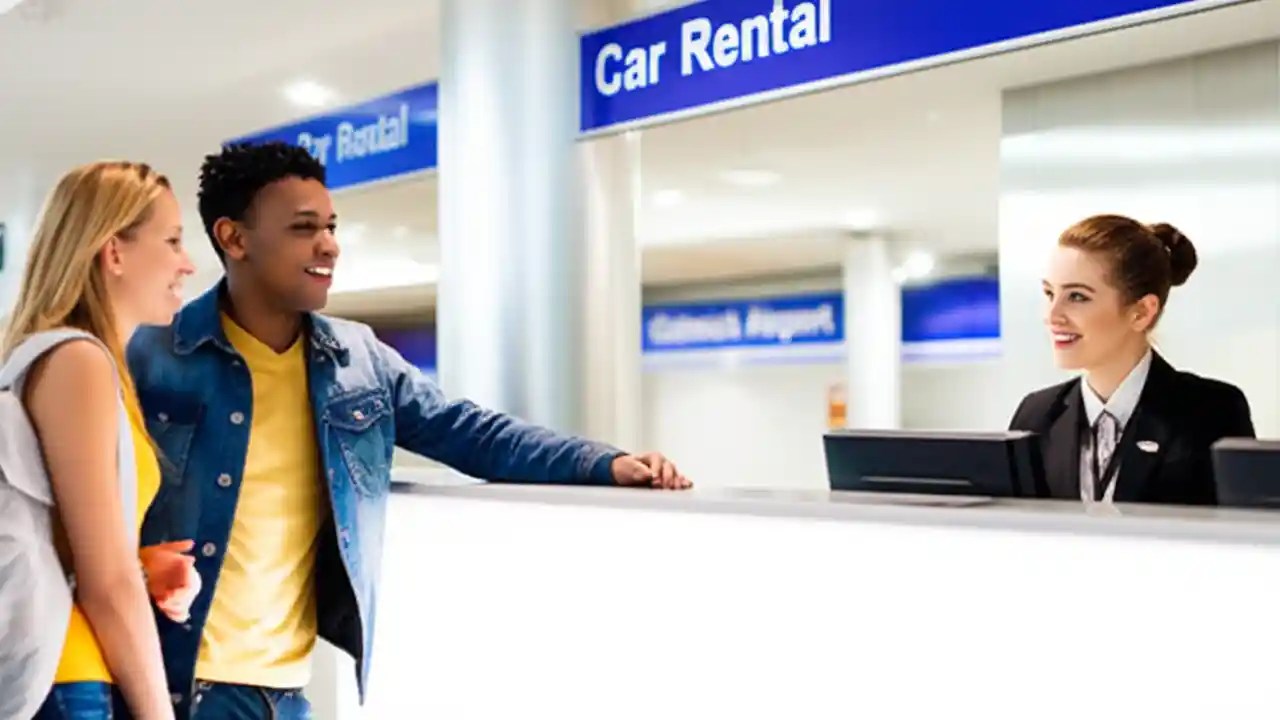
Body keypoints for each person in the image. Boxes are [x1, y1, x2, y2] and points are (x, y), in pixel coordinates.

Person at [126, 141, 691, 719]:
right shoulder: (151, 353)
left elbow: (472, 433)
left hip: (288, 695)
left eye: (330, 226)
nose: (329, 244)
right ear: (234, 238)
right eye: (303, 228)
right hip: (174, 687)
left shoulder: (357, 360)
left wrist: (601, 463)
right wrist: (132, 563)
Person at [2, 161, 199, 719]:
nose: (186, 263)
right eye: (172, 240)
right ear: (114, 252)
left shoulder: (50, 358)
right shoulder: (78, 361)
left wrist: (140, 564)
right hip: (69, 682)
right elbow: (105, 586)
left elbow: (61, 539)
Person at [1008, 214, 1255, 506]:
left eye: (1076, 296)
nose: (1051, 316)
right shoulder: (1036, 415)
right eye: (1049, 293)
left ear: (1142, 312)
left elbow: (1242, 536)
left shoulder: (1211, 410)